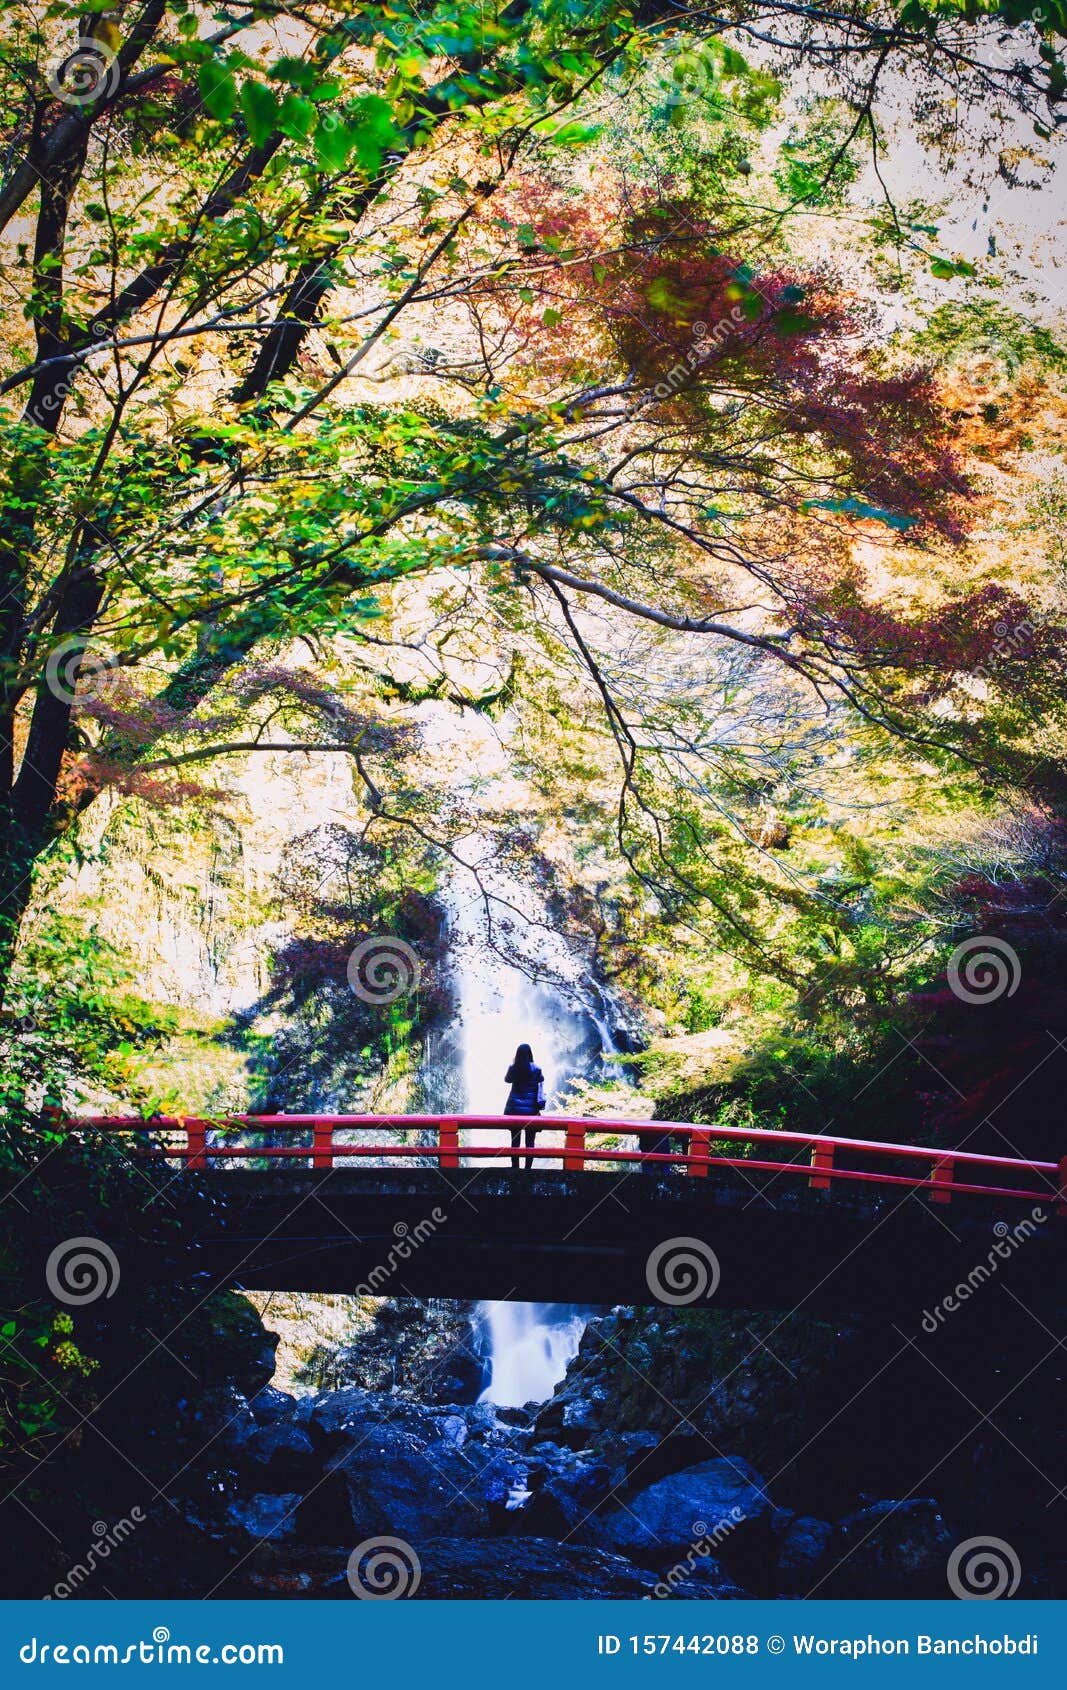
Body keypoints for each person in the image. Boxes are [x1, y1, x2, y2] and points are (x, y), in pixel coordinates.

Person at [504, 1042, 545, 1169]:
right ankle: (528, 1169)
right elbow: (541, 1083)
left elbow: (507, 1079)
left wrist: (513, 1064)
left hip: (515, 1110)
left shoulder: (513, 1068)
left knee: (515, 1141)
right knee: (530, 1141)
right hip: (531, 1111)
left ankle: (515, 1167)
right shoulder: (537, 1069)